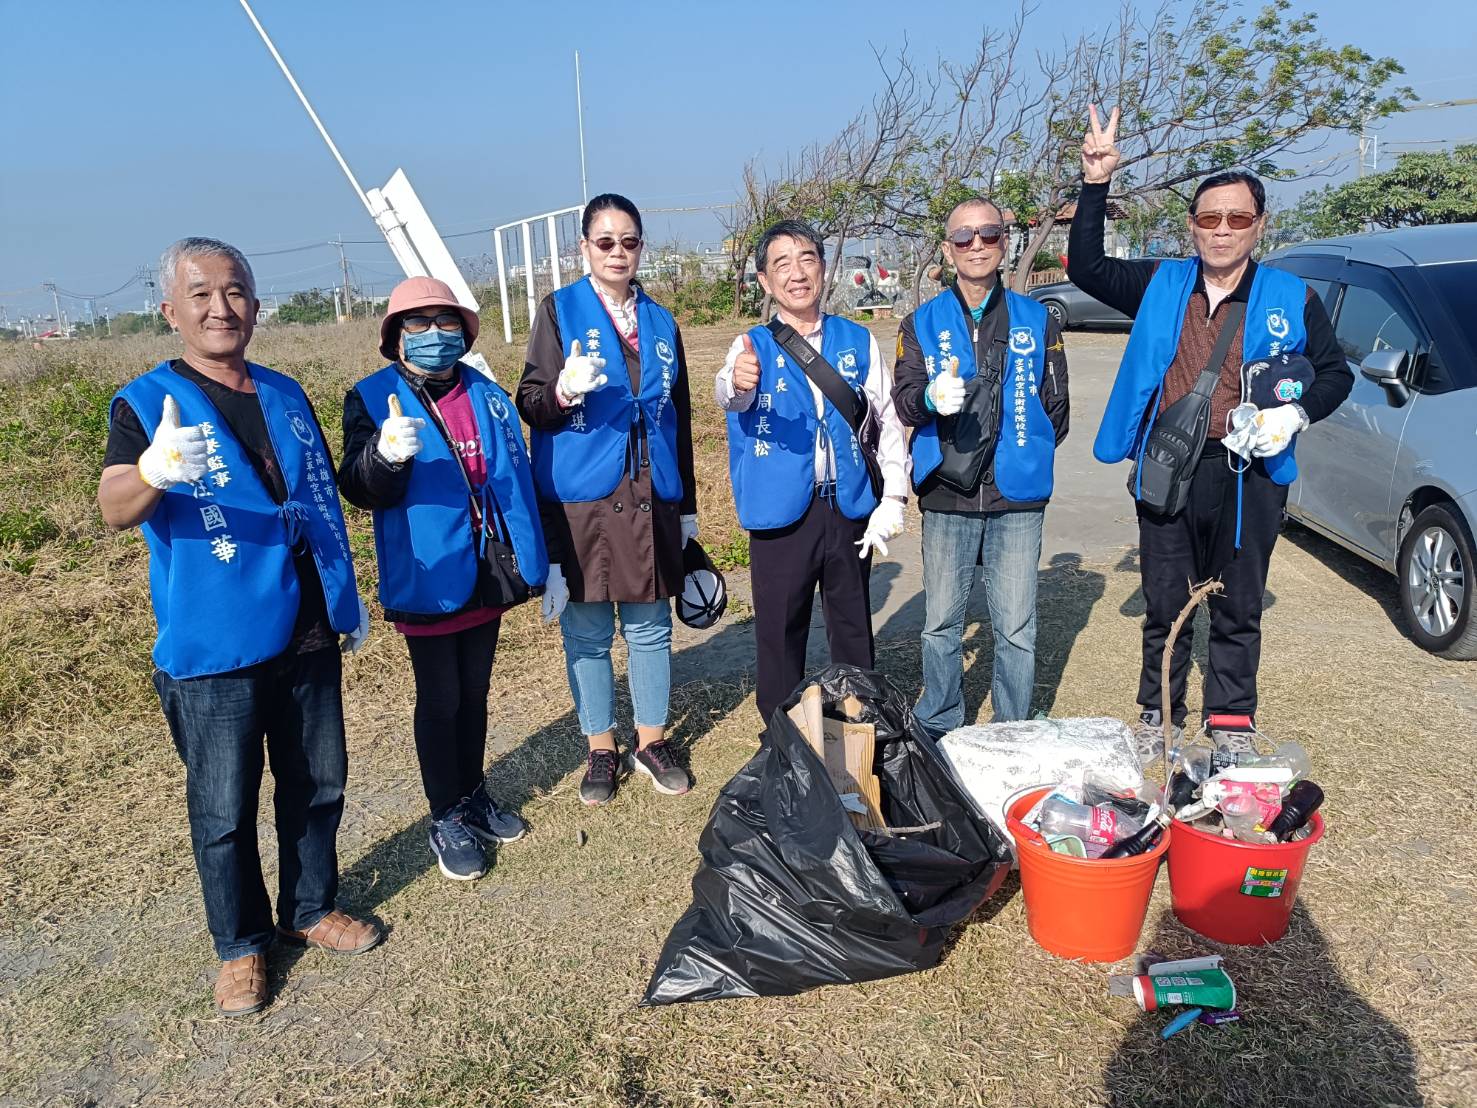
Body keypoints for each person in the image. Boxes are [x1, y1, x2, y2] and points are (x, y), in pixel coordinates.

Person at [97, 237, 380, 1018]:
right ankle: (239, 946)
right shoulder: (148, 401)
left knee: (318, 782)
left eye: (235, 292)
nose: (220, 308)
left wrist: (344, 601)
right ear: (170, 311)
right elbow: (115, 505)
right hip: (215, 640)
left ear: (256, 304)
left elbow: (319, 500)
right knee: (223, 807)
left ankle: (310, 906)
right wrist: (153, 470)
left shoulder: (286, 393)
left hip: (307, 626)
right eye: (201, 294)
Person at [1069, 106, 1353, 760]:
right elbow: (1085, 267)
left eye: (1236, 219)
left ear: (1258, 225)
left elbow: (1335, 373)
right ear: (1190, 225)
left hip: (1248, 473)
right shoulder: (1158, 282)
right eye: (1207, 218)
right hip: (1168, 464)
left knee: (1236, 603)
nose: (1221, 230)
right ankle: (1156, 717)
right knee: (1165, 604)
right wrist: (1094, 183)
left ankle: (1230, 724)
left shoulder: (1289, 296)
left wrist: (1293, 413)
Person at [338, 277, 548, 881]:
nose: (435, 334)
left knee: (476, 692)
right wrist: (384, 456)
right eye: (419, 324)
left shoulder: (483, 390)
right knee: (441, 698)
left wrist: (546, 561)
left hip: (484, 569)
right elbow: (357, 487)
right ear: (395, 337)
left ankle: (473, 792)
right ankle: (445, 814)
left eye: (445, 321)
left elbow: (515, 473)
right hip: (427, 573)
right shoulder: (372, 398)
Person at [516, 194, 698, 806]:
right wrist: (563, 390)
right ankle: (600, 747)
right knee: (588, 630)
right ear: (584, 248)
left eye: (629, 241)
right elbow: (530, 402)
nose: (618, 252)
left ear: (641, 246)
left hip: (651, 488)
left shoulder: (662, 321)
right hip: (584, 492)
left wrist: (689, 503)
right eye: (605, 242)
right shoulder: (558, 311)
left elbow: (680, 417)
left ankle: (651, 740)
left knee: (649, 625)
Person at [716, 219, 909, 733]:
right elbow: (728, 392)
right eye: (781, 264)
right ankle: (781, 737)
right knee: (780, 632)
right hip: (782, 514)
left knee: (852, 624)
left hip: (848, 508)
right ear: (764, 280)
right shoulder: (750, 345)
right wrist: (738, 381)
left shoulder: (857, 340)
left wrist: (894, 498)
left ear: (823, 269)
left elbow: (887, 422)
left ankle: (862, 726)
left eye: (806, 259)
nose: (796, 273)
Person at [892, 198, 1070, 736]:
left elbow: (1056, 410)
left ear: (1004, 243)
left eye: (988, 234)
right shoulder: (920, 321)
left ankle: (1012, 725)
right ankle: (943, 715)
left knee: (1016, 624)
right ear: (947, 251)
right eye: (964, 237)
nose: (976, 245)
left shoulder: (1039, 319)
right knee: (941, 622)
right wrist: (929, 398)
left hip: (1017, 495)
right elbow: (903, 401)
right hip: (948, 492)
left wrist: (1019, 449)